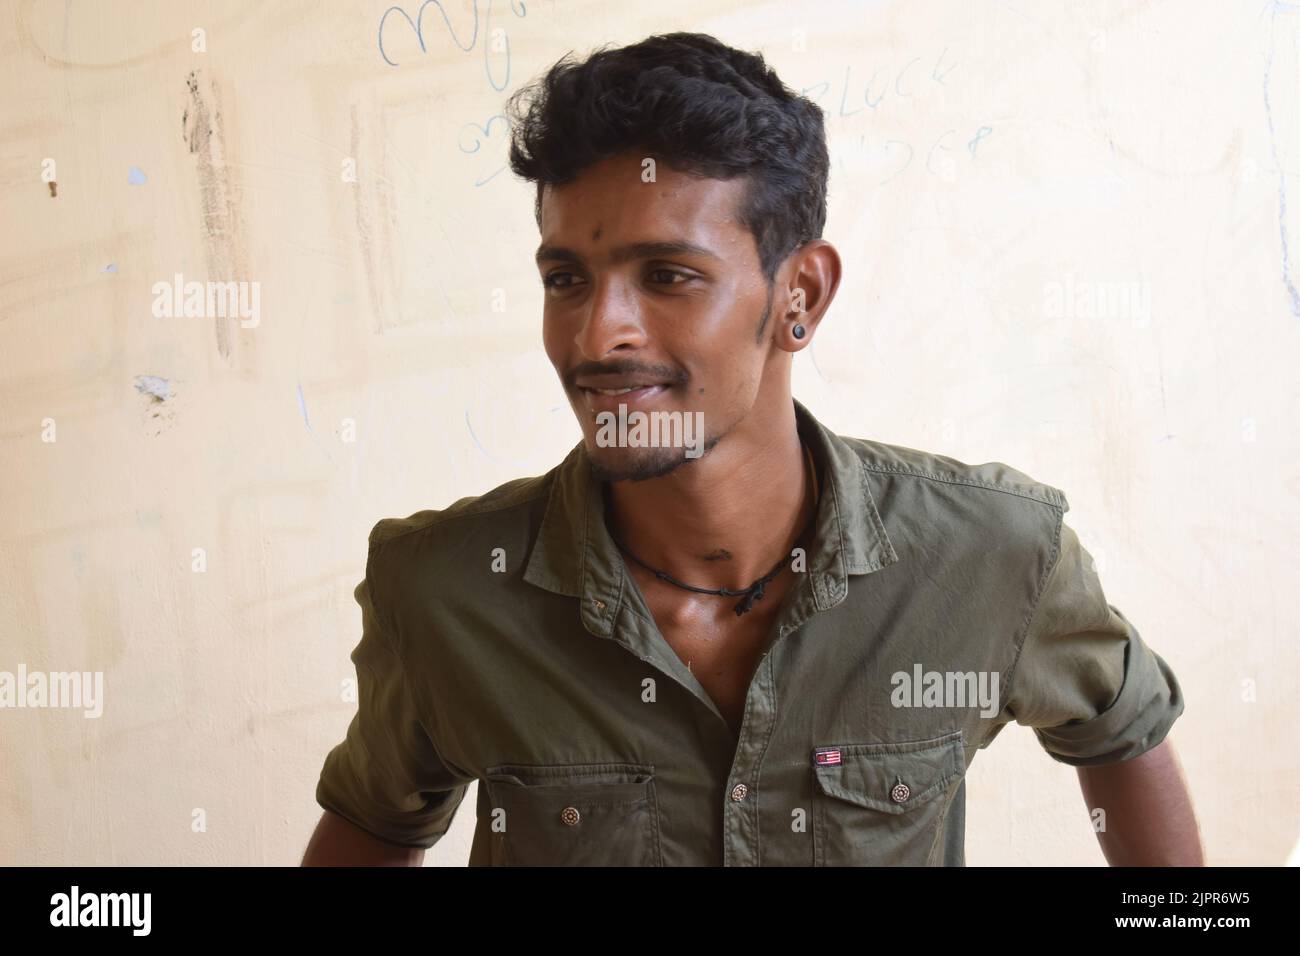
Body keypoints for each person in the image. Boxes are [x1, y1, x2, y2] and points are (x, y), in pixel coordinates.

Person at [301, 32, 1199, 867]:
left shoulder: (992, 556)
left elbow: (1122, 728)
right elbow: (373, 824)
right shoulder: (448, 591)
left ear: (798, 295)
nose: (598, 333)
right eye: (566, 278)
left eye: (668, 277)